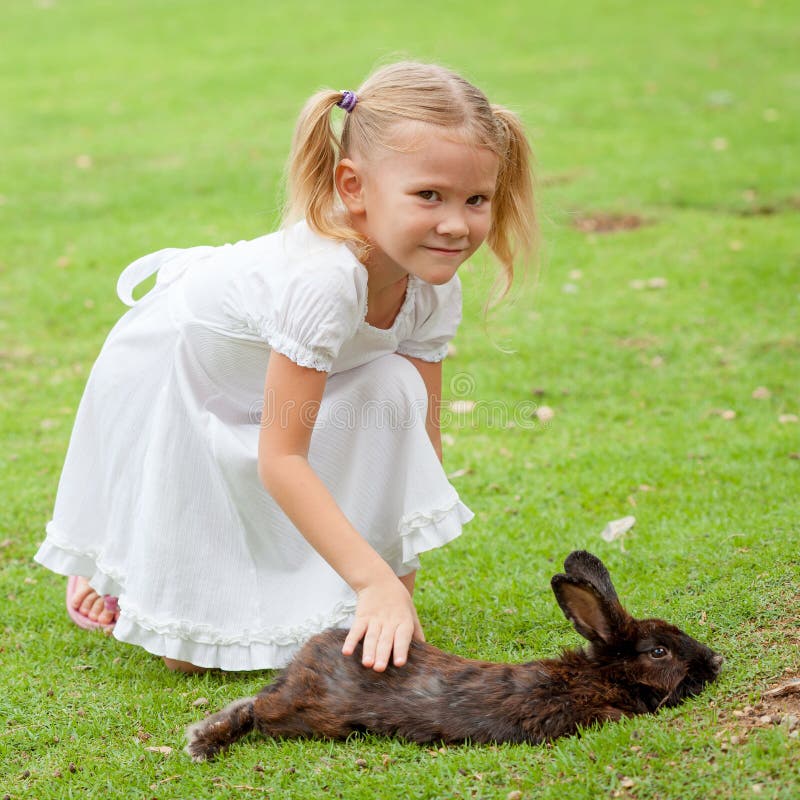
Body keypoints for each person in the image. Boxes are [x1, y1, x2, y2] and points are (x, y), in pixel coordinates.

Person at [34, 60, 536, 673]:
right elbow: (282, 459)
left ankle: (326, 587)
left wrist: (394, 589)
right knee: (193, 659)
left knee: (393, 386)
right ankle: (121, 565)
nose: (456, 224)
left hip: (270, 392)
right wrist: (372, 585)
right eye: (428, 195)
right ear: (353, 187)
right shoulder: (324, 281)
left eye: (476, 199)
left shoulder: (432, 290)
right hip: (183, 374)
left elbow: (418, 447)